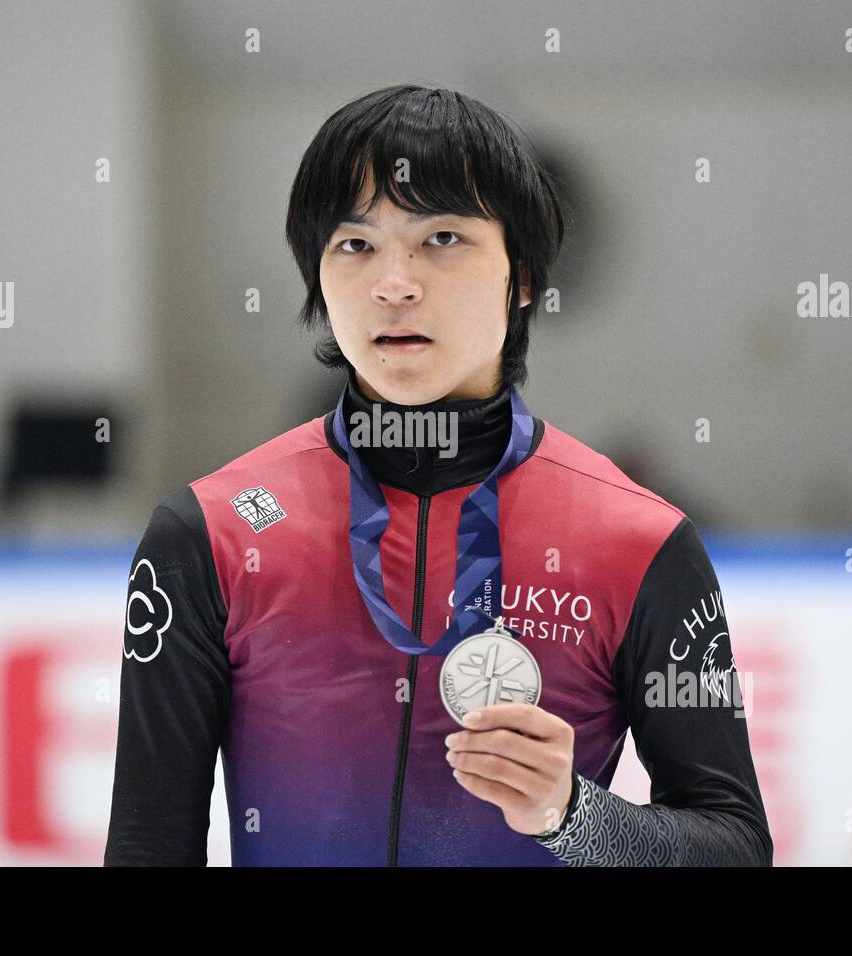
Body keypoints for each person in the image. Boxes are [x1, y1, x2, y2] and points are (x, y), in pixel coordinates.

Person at [104, 84, 772, 866]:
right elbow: (149, 846)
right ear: (317, 278)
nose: (395, 282)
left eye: (443, 238)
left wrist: (572, 815)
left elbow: (735, 849)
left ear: (522, 278)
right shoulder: (211, 533)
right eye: (355, 245)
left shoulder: (639, 543)